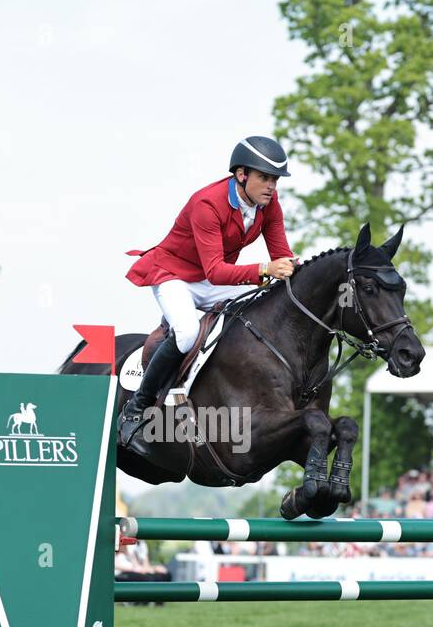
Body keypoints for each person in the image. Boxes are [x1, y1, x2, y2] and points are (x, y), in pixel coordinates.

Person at [118, 136, 298, 457]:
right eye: (265, 178)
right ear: (242, 174)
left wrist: (297, 269)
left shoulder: (269, 205)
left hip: (210, 277)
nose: (271, 187)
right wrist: (266, 268)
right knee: (187, 333)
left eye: (274, 180)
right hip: (174, 276)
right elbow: (216, 270)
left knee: (266, 299)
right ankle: (137, 406)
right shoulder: (207, 203)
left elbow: (281, 255)